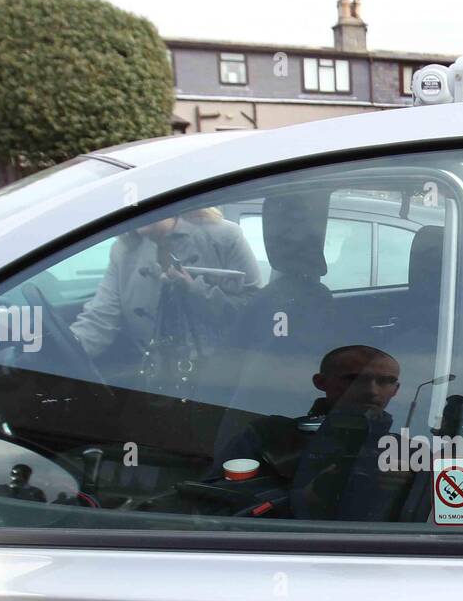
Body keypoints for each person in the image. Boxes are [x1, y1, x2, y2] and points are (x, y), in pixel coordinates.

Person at [210, 345, 415, 521]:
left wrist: (406, 489)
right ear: (321, 382)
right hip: (275, 552)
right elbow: (211, 501)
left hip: (385, 555)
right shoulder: (268, 436)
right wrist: (302, 497)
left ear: (396, 389)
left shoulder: (409, 452)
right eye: (355, 378)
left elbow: (440, 518)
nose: (372, 390)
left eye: (385, 381)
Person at [66, 208, 261, 378]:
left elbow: (253, 311)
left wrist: (194, 290)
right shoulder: (124, 249)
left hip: (217, 378)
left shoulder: (224, 235)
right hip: (155, 377)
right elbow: (100, 320)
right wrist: (62, 349)